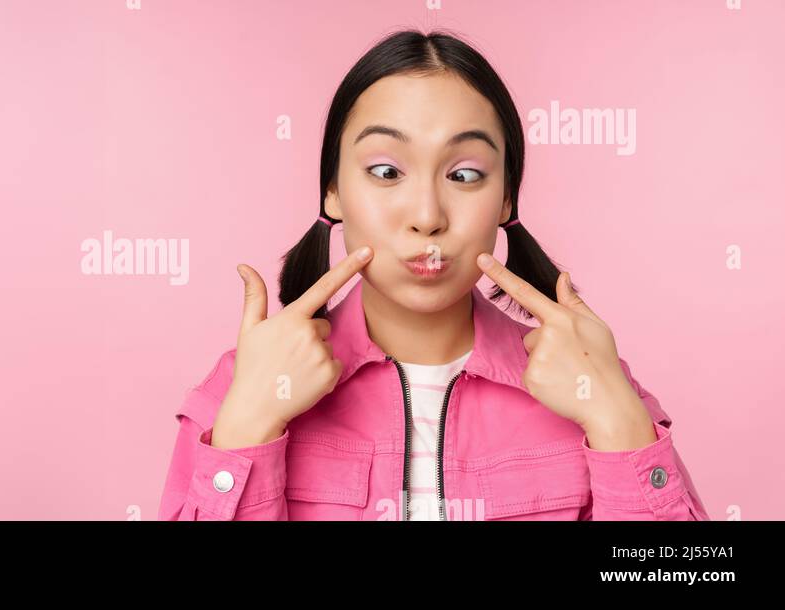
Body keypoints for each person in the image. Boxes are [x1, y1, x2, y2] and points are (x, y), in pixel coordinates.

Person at [157, 28, 708, 521]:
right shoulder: (240, 388)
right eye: (386, 171)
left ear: (506, 198)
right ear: (333, 191)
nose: (427, 216)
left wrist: (617, 425)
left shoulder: (594, 379)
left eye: (465, 174)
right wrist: (247, 430)